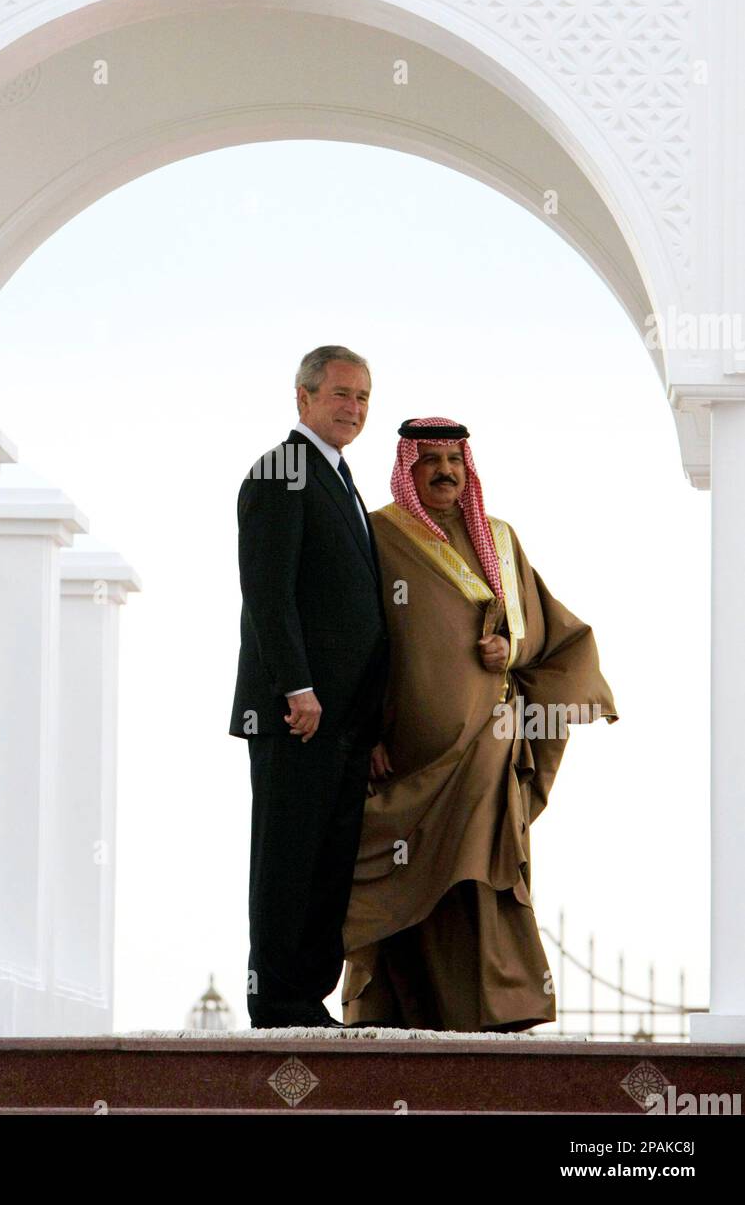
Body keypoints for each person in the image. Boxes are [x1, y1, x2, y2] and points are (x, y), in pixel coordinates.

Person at [341, 416, 618, 1032]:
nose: (444, 472)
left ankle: (497, 1009)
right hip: (407, 752)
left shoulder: (499, 536)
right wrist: (367, 733)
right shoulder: (378, 534)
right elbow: (356, 641)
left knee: (480, 873)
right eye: (429, 460)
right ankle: (399, 1012)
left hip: (488, 744)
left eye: (454, 461)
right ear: (406, 468)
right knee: (407, 878)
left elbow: (548, 630)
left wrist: (511, 650)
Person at [230, 346, 390, 1028]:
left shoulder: (341, 477)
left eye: (361, 398)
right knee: (286, 859)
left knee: (327, 864)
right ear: (303, 398)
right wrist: (296, 687)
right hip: (298, 713)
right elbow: (268, 594)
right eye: (339, 395)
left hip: (345, 720)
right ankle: (276, 1002)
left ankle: (308, 999)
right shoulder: (282, 471)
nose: (351, 409)